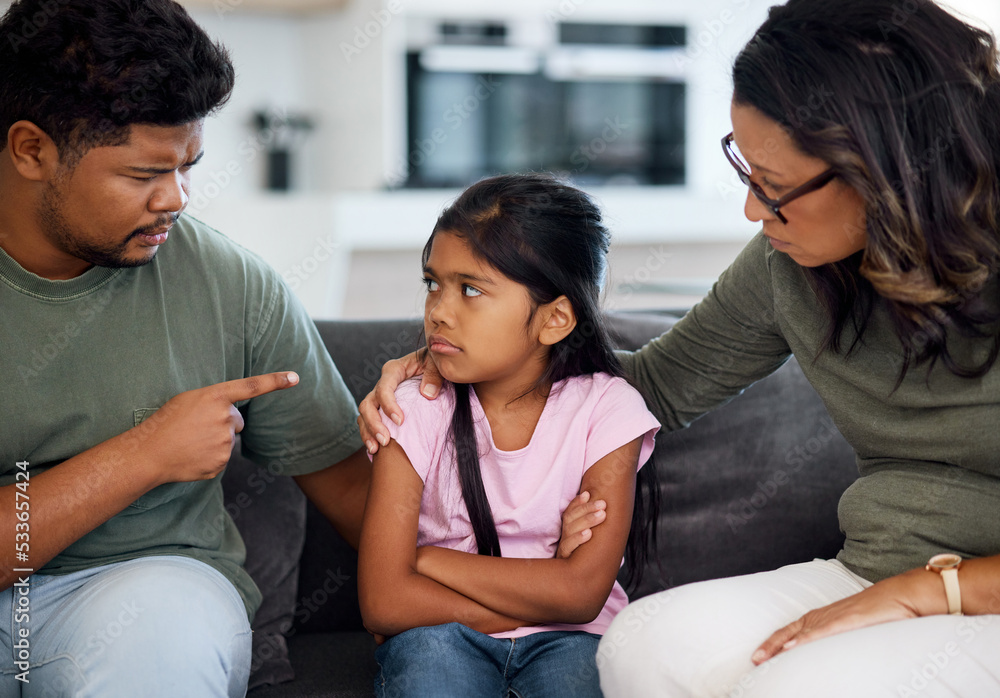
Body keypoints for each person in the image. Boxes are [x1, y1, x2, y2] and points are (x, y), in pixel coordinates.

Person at [358, 0, 1000, 695]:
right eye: (746, 171)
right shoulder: (791, 266)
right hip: (877, 567)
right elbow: (652, 387)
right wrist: (460, 364)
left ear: (883, 168)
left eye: (774, 187)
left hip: (973, 592)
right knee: (641, 647)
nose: (752, 210)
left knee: (791, 687)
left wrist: (927, 593)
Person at [0, 1, 371, 696]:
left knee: (159, 635)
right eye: (144, 174)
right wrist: (144, 455)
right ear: (31, 150)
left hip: (145, 594)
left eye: (188, 166)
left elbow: (356, 492)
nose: (176, 199)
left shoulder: (233, 283)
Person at [357, 173, 661, 697]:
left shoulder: (608, 410)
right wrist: (547, 584)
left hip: (575, 639)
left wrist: (427, 562)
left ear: (555, 319)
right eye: (433, 284)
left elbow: (581, 596)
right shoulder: (411, 408)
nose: (438, 311)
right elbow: (384, 602)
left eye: (471, 289)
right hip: (437, 638)